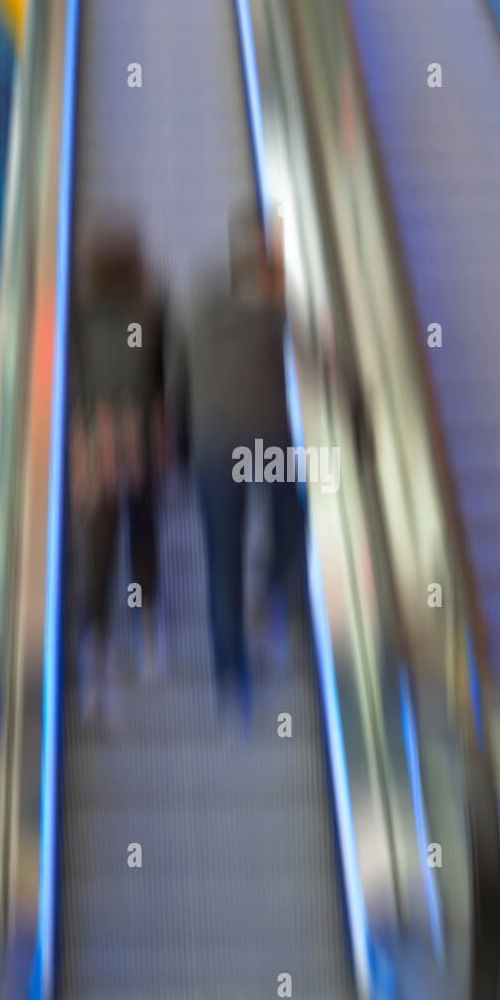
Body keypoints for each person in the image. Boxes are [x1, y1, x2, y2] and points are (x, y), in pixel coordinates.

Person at [169, 205, 303, 717]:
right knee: (291, 521)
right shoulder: (272, 307)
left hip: (214, 448)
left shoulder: (200, 309)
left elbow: (176, 383)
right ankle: (268, 592)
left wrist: (180, 452)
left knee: (221, 563)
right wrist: (357, 408)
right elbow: (319, 357)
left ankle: (232, 682)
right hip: (265, 445)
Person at [72, 226, 165, 718]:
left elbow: (73, 376)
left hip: (94, 437)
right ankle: (150, 635)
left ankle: (97, 666)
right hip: (140, 433)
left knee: (99, 549)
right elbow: (162, 376)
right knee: (144, 531)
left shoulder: (79, 313)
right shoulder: (151, 307)